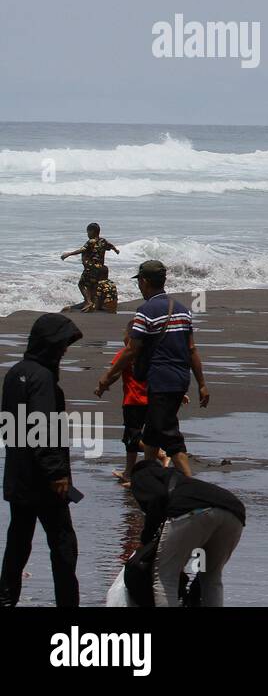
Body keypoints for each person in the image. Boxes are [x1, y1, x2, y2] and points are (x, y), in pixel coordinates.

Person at [0, 313, 83, 607]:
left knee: (18, 543)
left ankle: (6, 599)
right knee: (63, 545)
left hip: (18, 475)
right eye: (62, 345)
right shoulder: (43, 378)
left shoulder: (15, 373)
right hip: (45, 481)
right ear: (49, 344)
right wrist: (56, 473)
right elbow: (43, 426)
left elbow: (8, 424)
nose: (63, 351)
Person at [99, 260, 209, 477]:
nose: (139, 286)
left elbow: (131, 350)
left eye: (139, 281)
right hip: (180, 379)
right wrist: (202, 384)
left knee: (169, 435)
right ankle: (145, 479)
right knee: (151, 433)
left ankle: (191, 483)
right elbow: (192, 350)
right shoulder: (183, 310)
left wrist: (107, 378)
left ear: (145, 281)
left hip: (160, 381)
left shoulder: (145, 311)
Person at [130, 459, 246, 606]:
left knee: (166, 577)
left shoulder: (141, 475)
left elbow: (157, 498)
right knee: (211, 577)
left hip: (192, 512)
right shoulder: (179, 479)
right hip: (234, 512)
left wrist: (146, 538)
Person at [95, 327, 151, 486]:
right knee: (133, 438)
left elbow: (114, 373)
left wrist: (101, 387)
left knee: (132, 437)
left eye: (125, 334)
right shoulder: (149, 354)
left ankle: (159, 453)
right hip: (151, 401)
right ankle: (128, 472)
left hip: (133, 401)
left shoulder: (126, 353)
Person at [60, 222, 119, 312]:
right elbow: (110, 246)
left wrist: (68, 254)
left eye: (88, 232)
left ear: (93, 232)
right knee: (94, 286)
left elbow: (82, 250)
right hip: (101, 269)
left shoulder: (91, 241)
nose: (87, 234)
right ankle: (95, 303)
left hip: (91, 268)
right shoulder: (103, 241)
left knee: (82, 284)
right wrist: (116, 250)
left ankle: (88, 302)